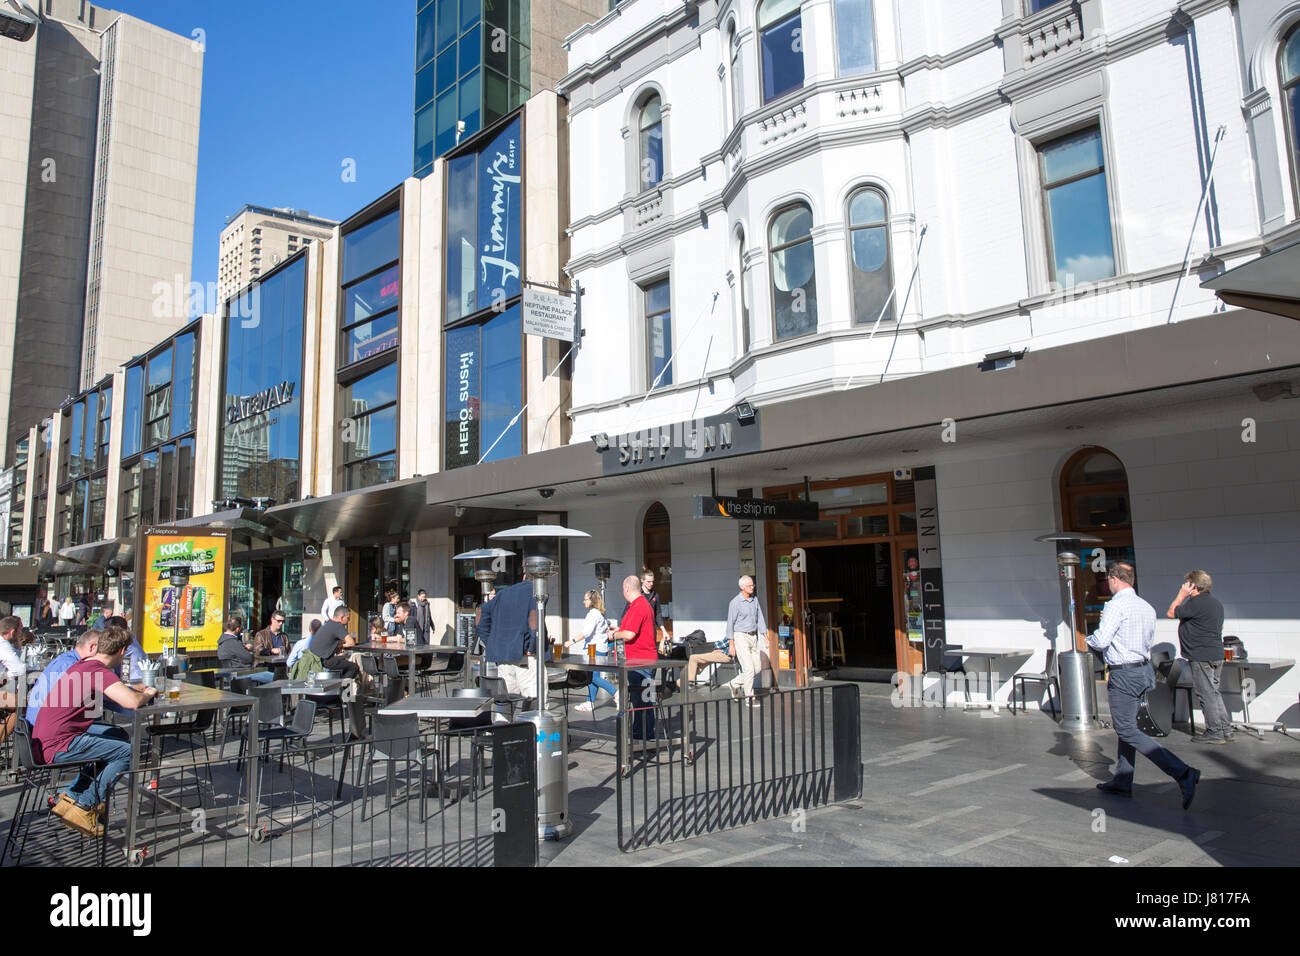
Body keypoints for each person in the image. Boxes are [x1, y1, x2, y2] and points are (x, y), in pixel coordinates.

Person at [1087, 561, 1200, 809]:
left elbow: (1102, 640)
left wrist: (1088, 638)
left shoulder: (1115, 606)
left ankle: (1183, 772)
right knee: (1129, 725)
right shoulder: (1145, 606)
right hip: (1143, 670)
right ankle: (1123, 780)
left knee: (1126, 730)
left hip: (1124, 674)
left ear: (1114, 579)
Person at [32, 624, 159, 837]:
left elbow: (113, 693)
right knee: (128, 751)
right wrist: (148, 692)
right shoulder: (98, 671)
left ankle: (73, 795)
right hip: (58, 745)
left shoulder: (84, 665)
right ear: (122, 652)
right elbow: (132, 703)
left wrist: (129, 690)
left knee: (116, 735)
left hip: (44, 740)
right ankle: (85, 805)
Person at [1166, 570, 1233, 744]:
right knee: (1214, 693)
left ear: (1193, 586)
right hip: (1216, 654)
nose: (1184, 586)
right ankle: (1226, 729)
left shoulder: (1195, 603)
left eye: (1187, 584)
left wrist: (1181, 595)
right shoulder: (1216, 603)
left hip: (1202, 656)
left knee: (1206, 694)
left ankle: (1215, 732)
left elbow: (1171, 612)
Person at [478, 574, 545, 706]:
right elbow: (534, 620)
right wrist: (532, 647)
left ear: (524, 575)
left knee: (504, 702)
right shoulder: (537, 591)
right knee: (535, 701)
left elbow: (481, 613)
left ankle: (501, 725)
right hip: (526, 657)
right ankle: (531, 727)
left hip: (503, 657)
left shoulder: (504, 593)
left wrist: (491, 643)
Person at [611, 576, 658, 737]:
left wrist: (613, 634)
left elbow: (630, 634)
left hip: (641, 662)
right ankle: (640, 733)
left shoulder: (638, 606)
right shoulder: (639, 605)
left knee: (642, 700)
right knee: (641, 699)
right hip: (639, 660)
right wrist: (618, 629)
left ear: (627, 589)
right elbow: (632, 629)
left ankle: (644, 735)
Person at [26, 629, 100, 726]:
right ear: (92, 647)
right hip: (46, 728)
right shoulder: (72, 665)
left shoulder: (65, 659)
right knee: (116, 735)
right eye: (103, 651)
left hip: (38, 723)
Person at [568, 590, 615, 712]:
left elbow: (586, 632)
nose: (583, 601)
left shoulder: (593, 614)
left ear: (592, 601)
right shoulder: (599, 614)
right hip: (601, 648)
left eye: (586, 599)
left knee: (593, 677)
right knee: (594, 676)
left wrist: (571, 641)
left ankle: (616, 693)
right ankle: (590, 702)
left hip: (595, 649)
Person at [725, 575, 767, 706]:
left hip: (753, 636)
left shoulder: (754, 600)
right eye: (749, 585)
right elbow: (730, 624)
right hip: (740, 636)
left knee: (757, 667)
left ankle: (734, 683)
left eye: (753, 585)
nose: (752, 587)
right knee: (748, 668)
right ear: (742, 587)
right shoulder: (735, 603)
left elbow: (759, 617)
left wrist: (765, 636)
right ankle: (749, 697)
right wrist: (731, 644)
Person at [217, 614, 273, 684]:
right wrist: (249, 651)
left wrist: (244, 648)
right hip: (242, 673)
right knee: (274, 677)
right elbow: (249, 658)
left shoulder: (222, 641)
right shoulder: (232, 642)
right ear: (237, 629)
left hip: (233, 672)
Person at [308, 604, 359, 680]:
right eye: (348, 618)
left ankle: (339, 682)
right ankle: (341, 686)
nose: (349, 620)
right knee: (354, 667)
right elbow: (351, 643)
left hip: (315, 659)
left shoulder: (328, 624)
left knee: (343, 660)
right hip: (325, 660)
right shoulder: (337, 626)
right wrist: (341, 646)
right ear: (342, 617)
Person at [0, 615, 26, 744]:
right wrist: (6, 679)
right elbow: (19, 669)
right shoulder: (2, 644)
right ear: (12, 631)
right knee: (25, 705)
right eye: (20, 630)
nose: (22, 634)